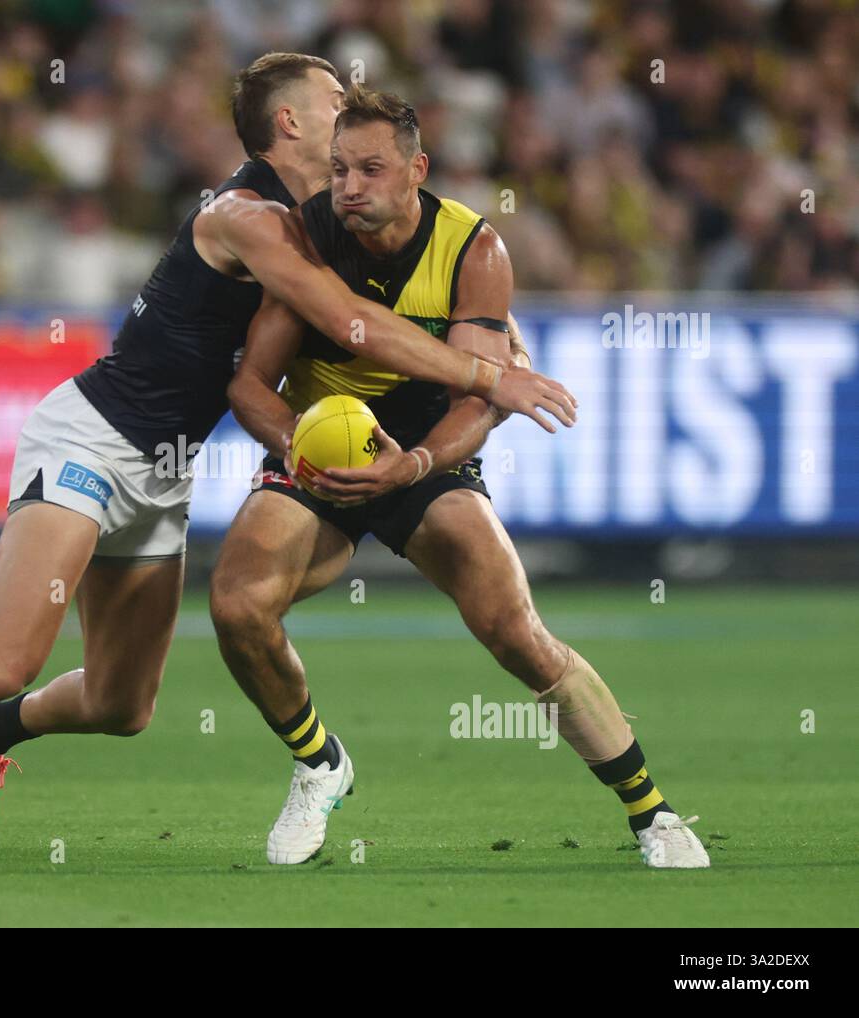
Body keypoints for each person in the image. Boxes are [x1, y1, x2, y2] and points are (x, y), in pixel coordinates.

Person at [0, 56, 577, 869]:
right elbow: (352, 322)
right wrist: (490, 373)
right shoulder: (249, 217)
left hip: (162, 470)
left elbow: (410, 295)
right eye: (334, 96)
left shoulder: (322, 220)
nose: (350, 101)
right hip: (90, 442)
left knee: (120, 704)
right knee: (5, 658)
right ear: (290, 122)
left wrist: (488, 330)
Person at [210, 87, 707, 869]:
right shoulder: (301, 238)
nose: (349, 187)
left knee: (518, 635)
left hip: (424, 453)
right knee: (237, 604)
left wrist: (411, 464)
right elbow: (248, 385)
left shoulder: (474, 250)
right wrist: (296, 447)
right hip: (320, 455)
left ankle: (653, 813)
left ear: (418, 170)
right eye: (339, 169)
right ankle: (318, 763)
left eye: (371, 169)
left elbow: (483, 396)